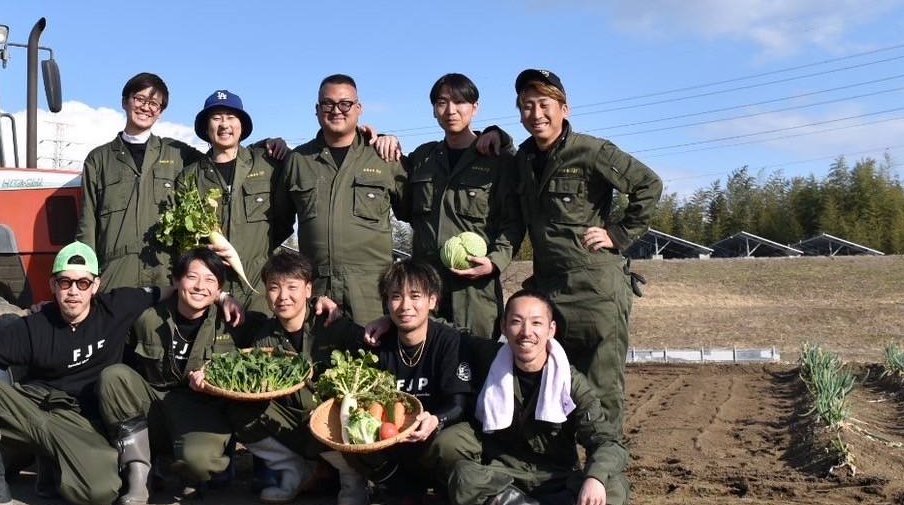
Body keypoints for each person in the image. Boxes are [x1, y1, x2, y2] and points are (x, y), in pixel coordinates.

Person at [0, 242, 157, 505]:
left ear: (95, 286)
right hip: (33, 408)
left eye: (83, 283)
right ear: (53, 285)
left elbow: (178, 293)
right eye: (65, 282)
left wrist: (220, 298)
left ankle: (49, 461)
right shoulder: (34, 325)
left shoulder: (117, 307)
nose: (73, 291)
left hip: (79, 422)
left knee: (98, 492)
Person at [511, 68, 661, 432]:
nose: (536, 114)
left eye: (544, 104)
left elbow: (648, 184)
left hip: (595, 290)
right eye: (527, 106)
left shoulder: (591, 151)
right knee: (554, 385)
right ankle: (561, 477)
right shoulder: (521, 159)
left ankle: (604, 478)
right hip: (548, 289)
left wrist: (619, 234)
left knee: (602, 388)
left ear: (564, 108)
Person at [447, 289, 628, 505]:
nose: (526, 332)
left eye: (536, 323)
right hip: (505, 477)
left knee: (615, 486)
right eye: (516, 321)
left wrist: (595, 478)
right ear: (504, 327)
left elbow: (608, 442)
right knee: (464, 477)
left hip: (557, 480)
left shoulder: (571, 382)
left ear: (551, 329)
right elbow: (443, 332)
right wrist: (391, 320)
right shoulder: (489, 361)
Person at [96, 247, 244, 501]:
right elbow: (103, 313)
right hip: (153, 404)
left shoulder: (232, 322)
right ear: (176, 280)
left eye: (210, 280)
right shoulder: (146, 318)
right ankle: (138, 472)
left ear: (219, 289)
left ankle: (184, 468)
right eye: (192, 277)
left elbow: (282, 321)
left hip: (200, 410)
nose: (200, 286)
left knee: (200, 462)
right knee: (113, 376)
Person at [222, 249, 367, 505]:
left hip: (334, 422)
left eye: (292, 287)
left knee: (326, 412)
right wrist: (223, 297)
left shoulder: (333, 324)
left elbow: (372, 353)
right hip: (293, 422)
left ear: (309, 289)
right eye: (274, 288)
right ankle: (295, 470)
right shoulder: (263, 336)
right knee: (238, 409)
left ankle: (352, 477)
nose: (283, 296)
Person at [351, 258, 480, 505]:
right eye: (396, 297)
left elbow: (459, 404)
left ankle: (448, 494)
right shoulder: (377, 344)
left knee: (449, 443)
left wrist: (437, 420)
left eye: (415, 296)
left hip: (437, 432)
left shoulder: (448, 341)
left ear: (432, 301)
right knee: (351, 437)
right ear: (387, 304)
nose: (405, 306)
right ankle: (405, 495)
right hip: (396, 438)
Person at [277, 74, 408, 324]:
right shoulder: (299, 161)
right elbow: (277, 225)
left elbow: (415, 213)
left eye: (345, 103)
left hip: (373, 292)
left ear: (359, 109)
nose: (336, 110)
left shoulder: (384, 157)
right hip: (316, 291)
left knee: (372, 360)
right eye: (328, 104)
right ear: (317, 110)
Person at [403, 73, 523, 339]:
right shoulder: (423, 158)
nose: (451, 110)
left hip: (475, 290)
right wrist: (383, 138)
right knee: (426, 367)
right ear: (434, 110)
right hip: (426, 289)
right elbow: (400, 199)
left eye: (460, 102)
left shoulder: (497, 159)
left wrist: (494, 263)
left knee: (478, 366)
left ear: (475, 108)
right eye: (442, 102)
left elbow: (513, 222)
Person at [78, 72, 202, 288]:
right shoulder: (99, 159)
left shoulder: (178, 154)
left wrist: (264, 147)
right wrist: (84, 276)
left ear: (161, 112)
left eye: (154, 103)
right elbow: (87, 223)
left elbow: (221, 160)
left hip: (166, 275)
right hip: (114, 277)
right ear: (125, 101)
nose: (146, 107)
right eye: (140, 99)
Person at [176, 89, 295, 314]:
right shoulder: (190, 177)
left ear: (242, 125)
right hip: (210, 290)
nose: (224, 124)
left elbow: (285, 219)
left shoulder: (267, 165)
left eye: (231, 117)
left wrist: (257, 248)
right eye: (216, 117)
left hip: (259, 284)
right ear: (206, 126)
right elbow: (184, 237)